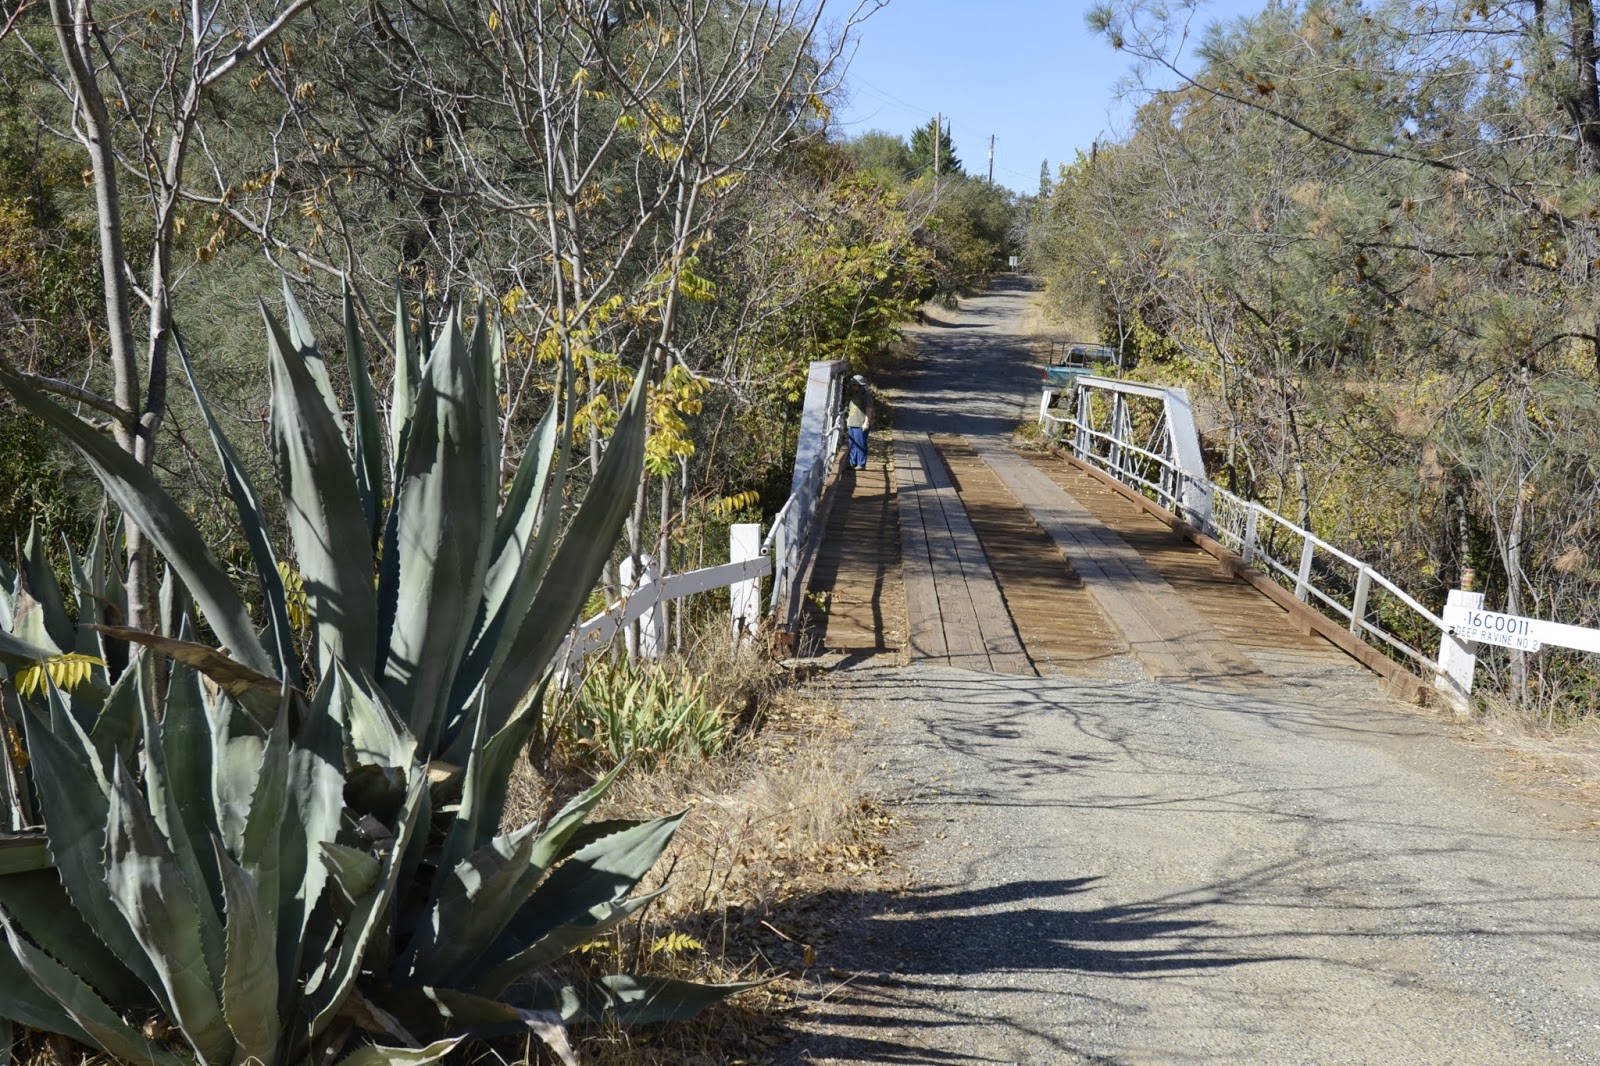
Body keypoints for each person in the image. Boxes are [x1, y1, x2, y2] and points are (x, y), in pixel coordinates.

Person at [846, 373, 874, 470]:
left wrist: (866, 422)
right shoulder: (855, 394)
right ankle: (853, 463)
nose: (853, 386)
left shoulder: (866, 395)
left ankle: (861, 464)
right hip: (852, 423)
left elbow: (869, 409)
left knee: (860, 444)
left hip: (860, 424)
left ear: (859, 385)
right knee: (852, 444)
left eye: (855, 385)